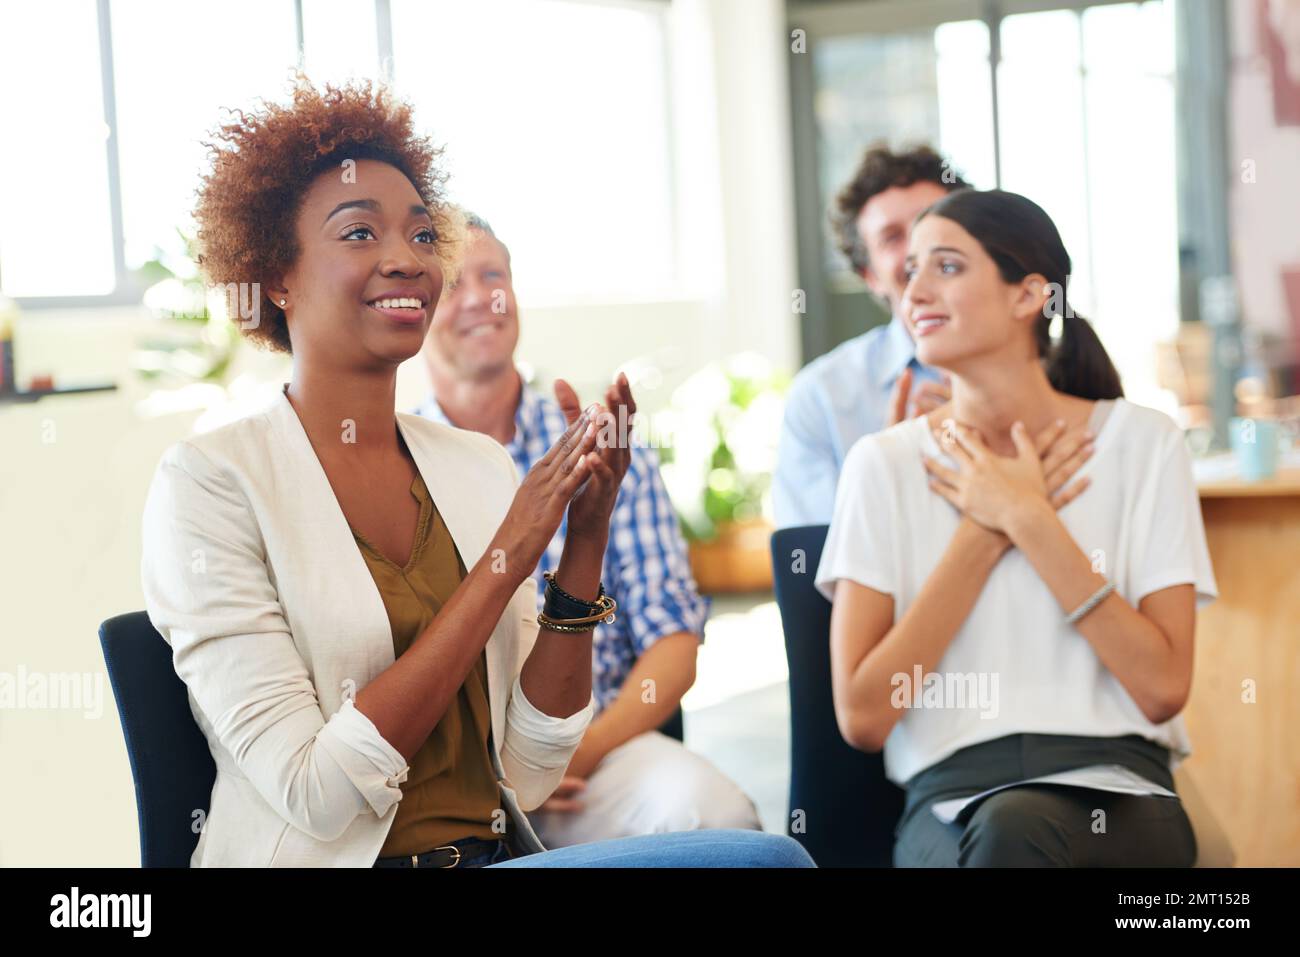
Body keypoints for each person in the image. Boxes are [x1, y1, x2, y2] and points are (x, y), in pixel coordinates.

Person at [140, 76, 812, 869]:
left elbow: (531, 767)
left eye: (424, 237)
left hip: (493, 856)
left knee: (752, 852)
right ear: (276, 275)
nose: (405, 260)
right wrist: (508, 554)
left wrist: (582, 537)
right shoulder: (211, 482)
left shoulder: (471, 465)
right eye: (359, 233)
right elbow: (316, 790)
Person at [814, 188, 1218, 867]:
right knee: (1010, 827)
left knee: (1017, 827)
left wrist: (1031, 520)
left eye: (945, 266)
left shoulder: (1145, 444)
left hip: (1121, 792)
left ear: (1030, 294)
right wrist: (986, 527)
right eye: (908, 269)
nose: (914, 290)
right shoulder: (881, 464)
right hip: (950, 801)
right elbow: (862, 714)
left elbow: (1161, 686)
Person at [414, 214, 763, 847]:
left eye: (495, 276)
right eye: (453, 282)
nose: (481, 299)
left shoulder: (602, 444)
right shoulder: (393, 456)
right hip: (445, 780)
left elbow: (674, 639)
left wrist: (571, 754)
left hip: (592, 761)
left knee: (718, 824)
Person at [773, 145, 969, 529]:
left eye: (931, 222)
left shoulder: (1044, 372)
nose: (918, 247)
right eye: (893, 237)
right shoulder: (820, 397)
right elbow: (815, 571)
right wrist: (885, 469)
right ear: (871, 276)